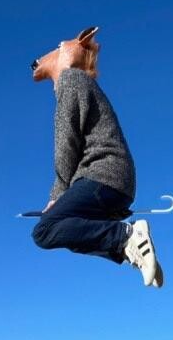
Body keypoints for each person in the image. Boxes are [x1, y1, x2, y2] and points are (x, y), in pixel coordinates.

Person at [29, 26, 164, 288]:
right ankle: (132, 251)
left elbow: (67, 142)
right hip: (116, 184)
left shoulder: (70, 79)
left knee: (45, 230)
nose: (38, 62)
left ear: (68, 52)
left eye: (57, 48)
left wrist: (57, 196)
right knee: (71, 233)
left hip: (103, 175)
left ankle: (127, 236)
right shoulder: (77, 84)